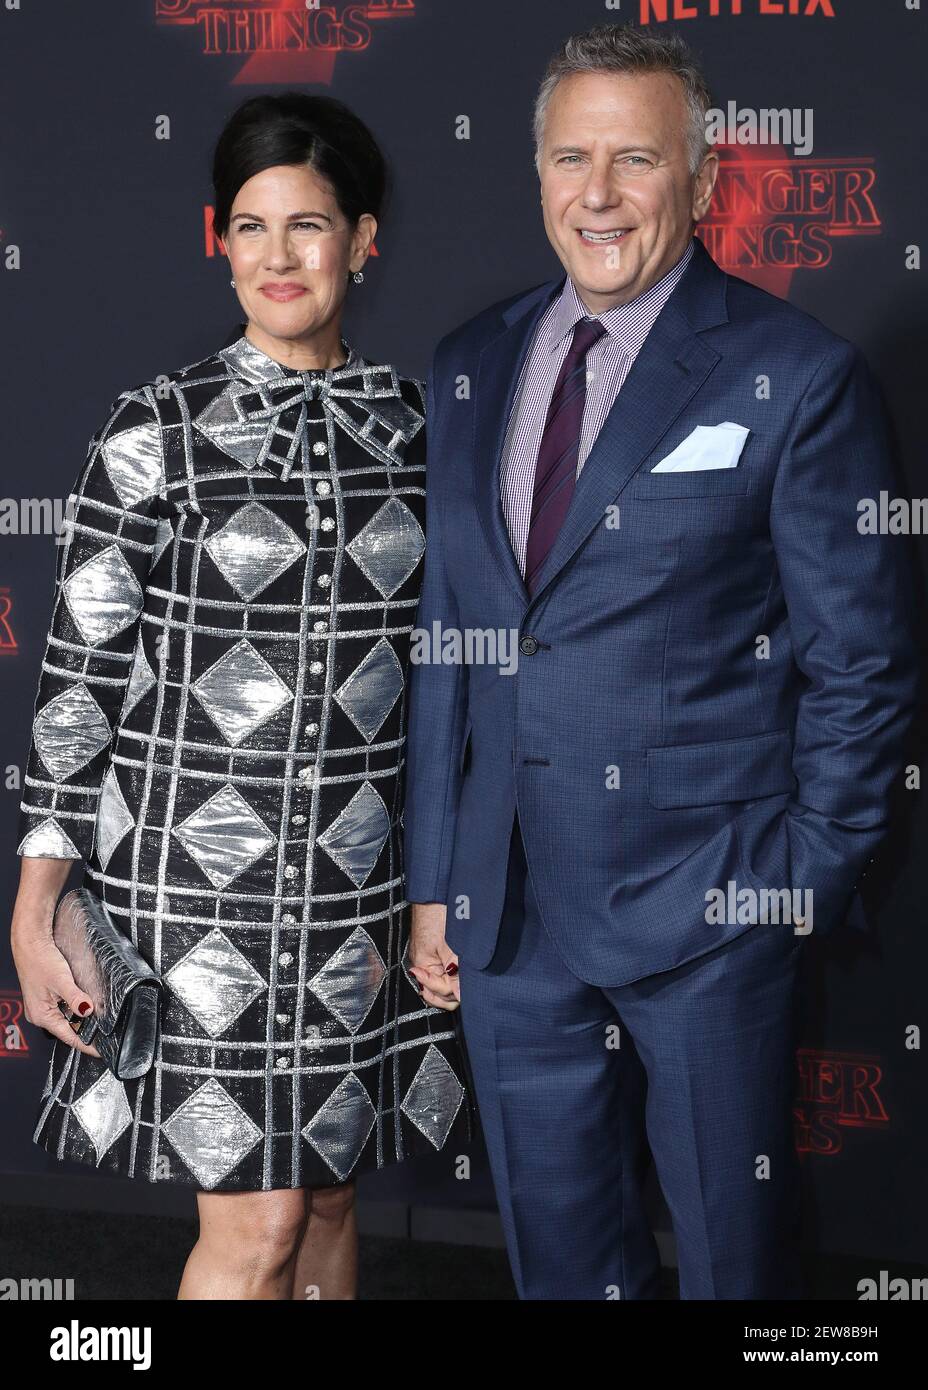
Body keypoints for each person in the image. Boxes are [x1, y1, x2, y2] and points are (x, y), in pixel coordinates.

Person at [403, 24, 917, 1299]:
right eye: (571, 157)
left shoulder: (795, 377)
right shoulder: (470, 365)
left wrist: (791, 878)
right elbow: (452, 648)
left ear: (700, 182)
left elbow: (866, 666)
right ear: (534, 173)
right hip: (507, 923)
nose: (597, 193)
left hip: (708, 910)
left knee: (734, 1265)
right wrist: (436, 873)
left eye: (635, 160)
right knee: (561, 1264)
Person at [11, 91, 472, 1301]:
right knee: (260, 1221)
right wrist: (36, 907)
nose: (279, 258)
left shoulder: (418, 434)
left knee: (325, 1196)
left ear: (363, 242)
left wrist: (434, 892)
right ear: (219, 238)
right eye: (252, 227)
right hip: (193, 891)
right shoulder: (152, 431)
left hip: (355, 885)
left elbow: (447, 678)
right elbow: (77, 684)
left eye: (310, 225)